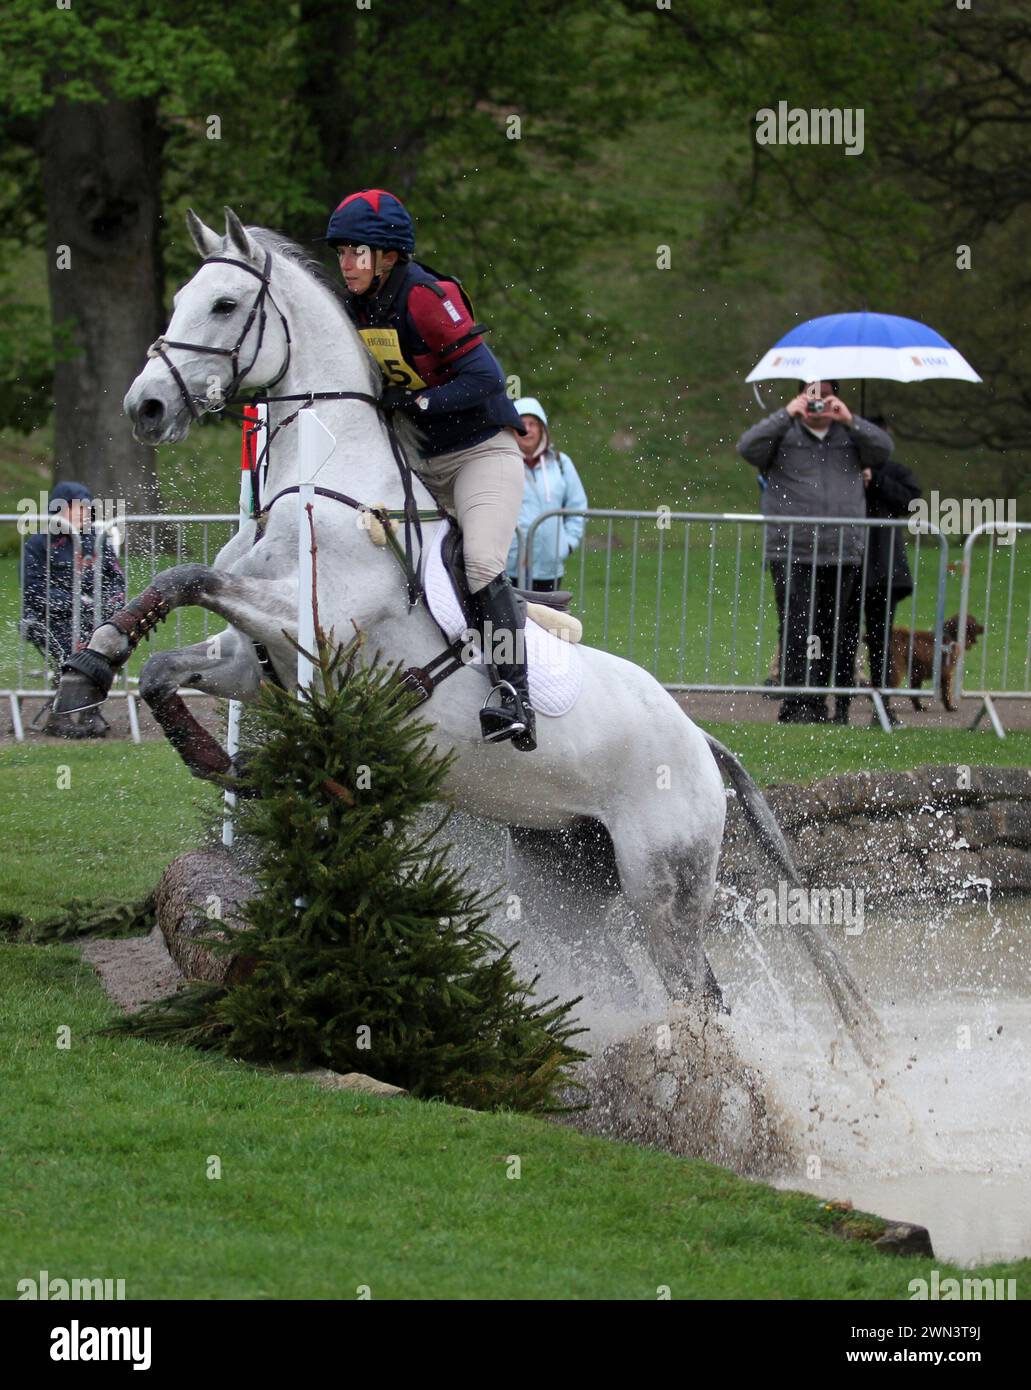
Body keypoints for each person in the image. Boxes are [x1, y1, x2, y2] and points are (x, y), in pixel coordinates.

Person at [326, 188, 536, 751]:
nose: (347, 263)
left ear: (389, 255)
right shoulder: (357, 305)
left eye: (358, 252)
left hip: (480, 455)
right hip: (420, 461)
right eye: (342, 251)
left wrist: (417, 403)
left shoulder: (423, 296)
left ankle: (515, 696)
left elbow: (486, 379)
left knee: (481, 561)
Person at [736, 381, 893, 724]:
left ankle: (821, 701)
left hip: (842, 550)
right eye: (811, 393)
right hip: (793, 548)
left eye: (825, 393)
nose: (818, 401)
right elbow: (747, 448)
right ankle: (795, 702)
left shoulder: (850, 436)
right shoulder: (782, 434)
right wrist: (785, 414)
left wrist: (851, 420)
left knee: (831, 628)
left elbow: (883, 449)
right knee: (796, 627)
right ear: (800, 396)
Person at [20, 481, 126, 737]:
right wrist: (75, 603)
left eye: (87, 508)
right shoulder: (39, 544)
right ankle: (60, 716)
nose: (83, 513)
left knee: (115, 644)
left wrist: (107, 604)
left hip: (90, 619)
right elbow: (34, 591)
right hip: (47, 619)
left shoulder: (97, 542)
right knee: (78, 647)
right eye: (76, 508)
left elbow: (116, 582)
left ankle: (91, 712)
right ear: (58, 510)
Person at [861, 416, 922, 727]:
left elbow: (912, 501)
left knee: (881, 639)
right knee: (838, 637)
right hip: (848, 563)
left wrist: (877, 482)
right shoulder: (844, 470)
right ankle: (835, 704)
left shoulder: (894, 472)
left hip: (885, 568)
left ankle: (883, 704)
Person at [505, 396, 587, 591]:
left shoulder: (561, 463)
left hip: (548, 568)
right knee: (510, 621)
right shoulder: (502, 463)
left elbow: (578, 507)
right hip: (508, 566)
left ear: (542, 429)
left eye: (532, 423)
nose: (527, 429)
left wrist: (566, 545)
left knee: (546, 620)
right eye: (521, 424)